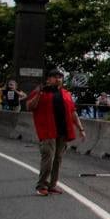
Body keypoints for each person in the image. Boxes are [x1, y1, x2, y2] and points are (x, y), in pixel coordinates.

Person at [26, 68, 85, 196]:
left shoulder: (66, 94)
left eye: (60, 76)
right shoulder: (40, 91)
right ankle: (41, 185)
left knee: (58, 159)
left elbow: (73, 112)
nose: (58, 78)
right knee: (48, 158)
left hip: (63, 131)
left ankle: (52, 185)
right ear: (48, 79)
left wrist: (81, 129)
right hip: (47, 131)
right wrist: (39, 94)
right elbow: (29, 107)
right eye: (54, 76)